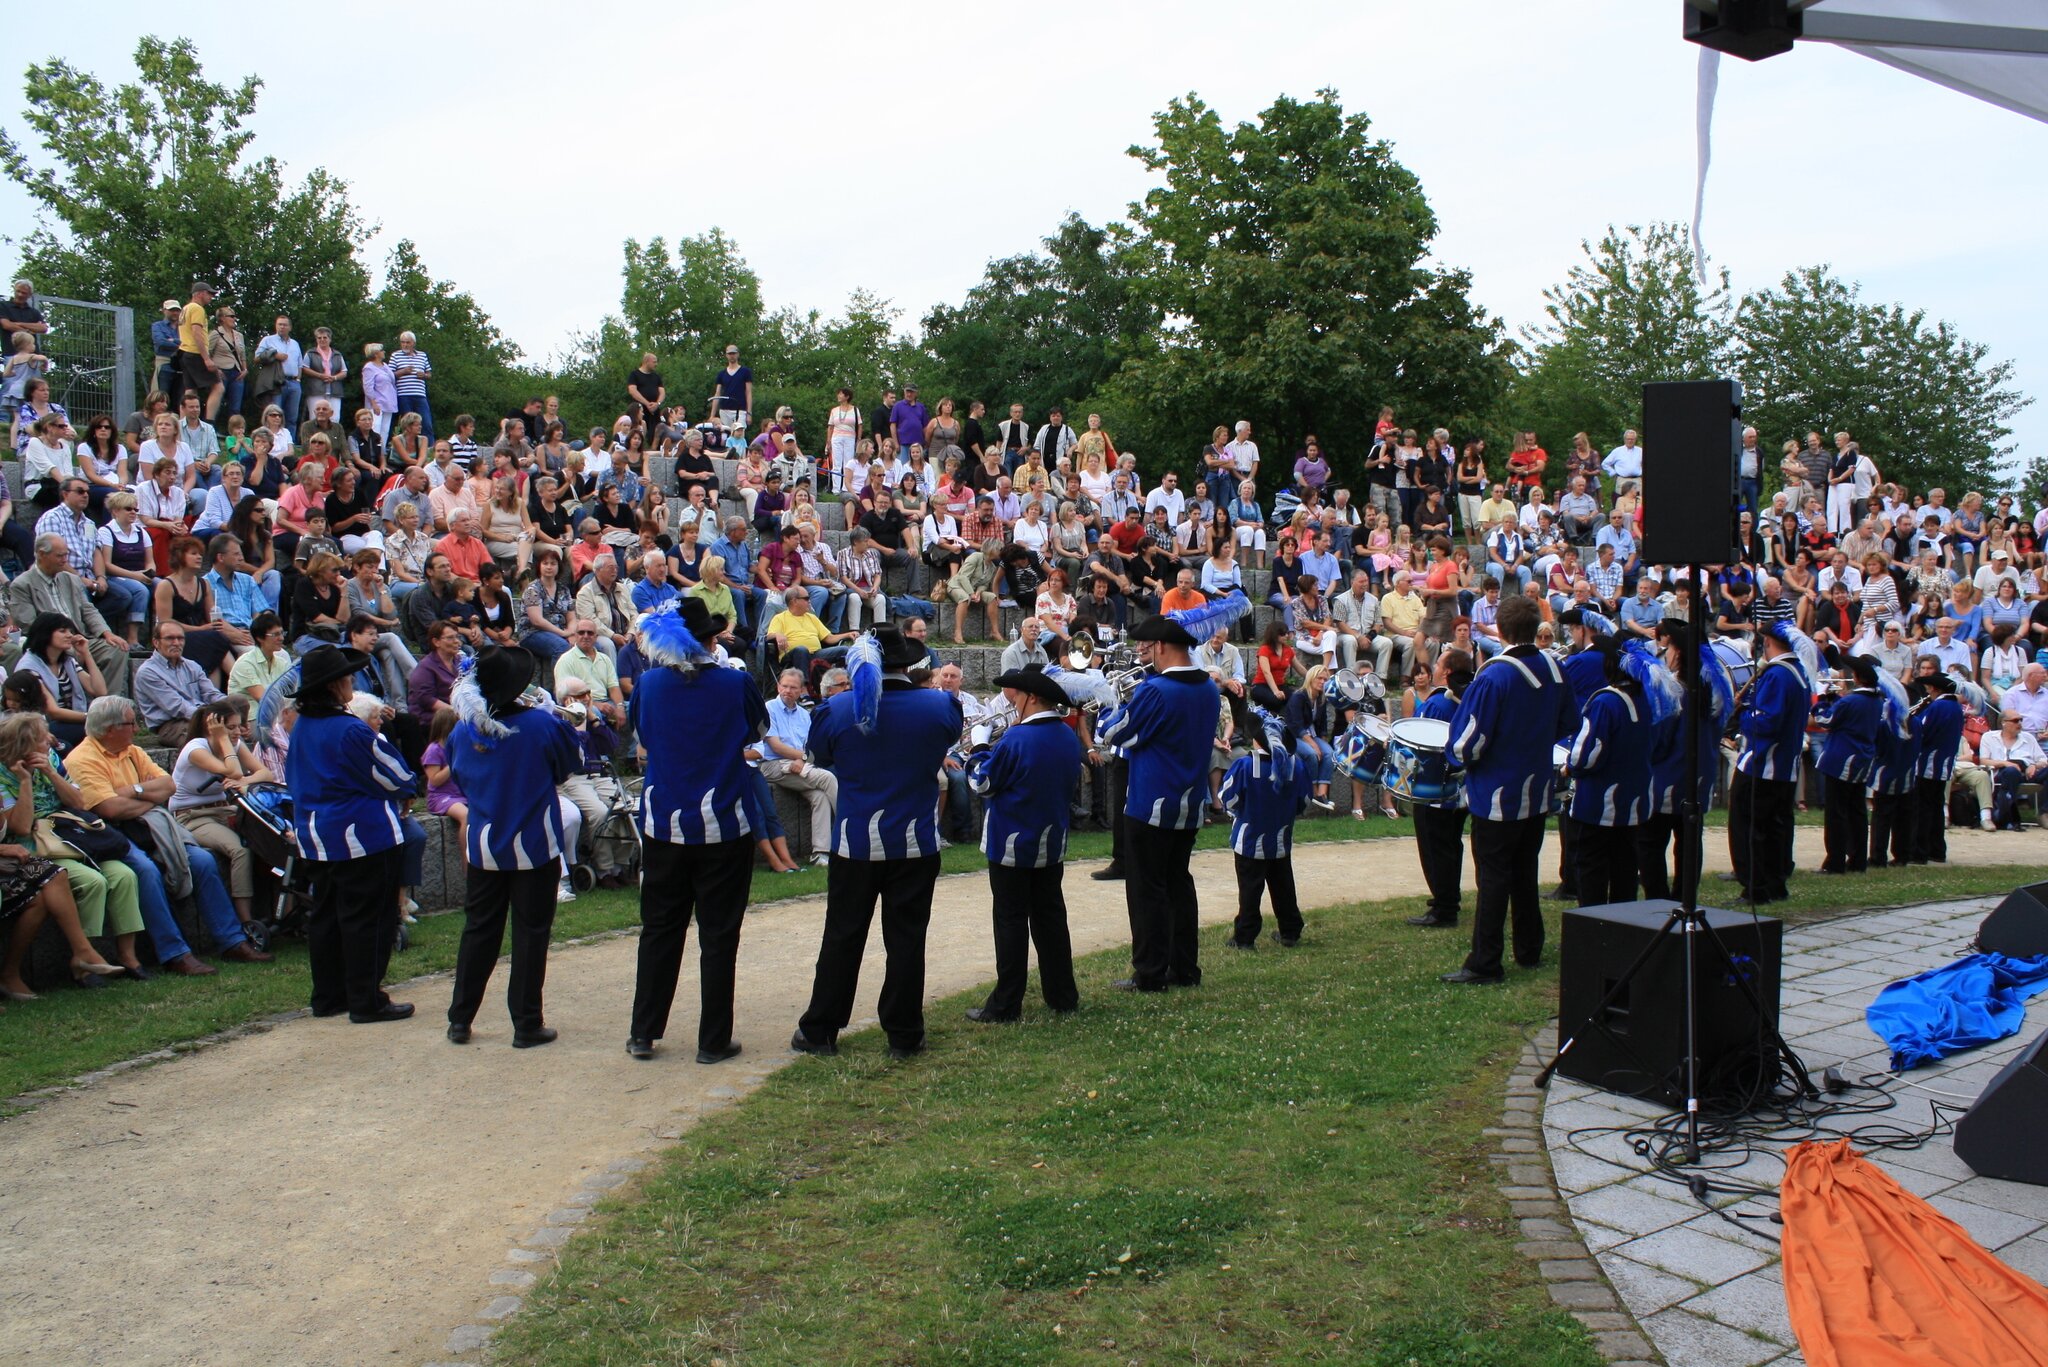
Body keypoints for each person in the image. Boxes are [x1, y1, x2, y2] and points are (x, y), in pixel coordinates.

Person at [792, 627, 963, 1059]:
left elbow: (822, 755)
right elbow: (944, 740)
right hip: (915, 842)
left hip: (855, 843)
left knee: (842, 935)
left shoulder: (837, 707)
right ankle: (904, 1034)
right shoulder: (941, 705)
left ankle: (821, 1029)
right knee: (907, 939)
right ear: (908, 663)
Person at [627, 600, 770, 1063]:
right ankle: (712, 1040)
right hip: (724, 821)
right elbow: (755, 730)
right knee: (719, 934)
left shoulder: (648, 684)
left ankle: (644, 1032)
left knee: (659, 930)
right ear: (711, 640)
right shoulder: (735, 682)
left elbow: (643, 734)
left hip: (664, 819)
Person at [443, 646, 583, 1048]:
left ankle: (460, 1018)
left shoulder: (461, 730)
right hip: (533, 842)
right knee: (530, 934)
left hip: (484, 841)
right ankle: (526, 1023)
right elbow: (567, 766)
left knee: (478, 931)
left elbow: (459, 776)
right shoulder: (542, 726)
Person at [1441, 595, 1579, 985]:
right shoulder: (1554, 666)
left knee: (1494, 878)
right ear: (1536, 628)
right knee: (1525, 869)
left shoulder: (1495, 675)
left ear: (1499, 630)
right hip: (1537, 787)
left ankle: (1485, 961)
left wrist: (1460, 757)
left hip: (1497, 792)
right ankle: (1529, 946)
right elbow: (1569, 721)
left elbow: (1467, 744)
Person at [1096, 604, 1228, 991]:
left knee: (1146, 891)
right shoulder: (1206, 685)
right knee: (1178, 886)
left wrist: (1111, 703)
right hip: (1189, 802)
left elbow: (1118, 733)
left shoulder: (1156, 689)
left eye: (1146, 646)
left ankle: (1150, 973)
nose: (1143, 653)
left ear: (1162, 647)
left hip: (1150, 803)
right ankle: (1185, 967)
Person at [285, 645, 416, 1022]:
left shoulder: (303, 726)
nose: (351, 682)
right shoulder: (350, 729)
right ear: (331, 686)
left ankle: (328, 996)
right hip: (361, 836)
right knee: (369, 919)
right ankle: (365, 999)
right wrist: (406, 788)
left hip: (317, 836)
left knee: (326, 917)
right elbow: (394, 774)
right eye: (345, 677)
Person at [962, 664, 1086, 1020]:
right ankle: (1062, 995)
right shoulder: (1066, 735)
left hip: (1012, 843)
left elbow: (982, 784)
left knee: (1010, 922)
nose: (1011, 700)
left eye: (1015, 694)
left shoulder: (1017, 738)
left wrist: (981, 746)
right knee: (1050, 919)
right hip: (1051, 842)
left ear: (1032, 698)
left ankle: (1005, 1004)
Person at [1564, 637, 1654, 908]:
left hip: (1600, 799)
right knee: (1625, 865)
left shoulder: (1605, 702)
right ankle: (1623, 924)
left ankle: (1593, 925)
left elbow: (1588, 754)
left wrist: (1570, 766)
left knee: (1591, 866)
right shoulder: (1646, 698)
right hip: (1634, 795)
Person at [1728, 623, 1814, 904]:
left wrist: (1742, 715)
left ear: (1768, 643)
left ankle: (1756, 885)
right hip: (1783, 764)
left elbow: (1766, 721)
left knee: (1750, 827)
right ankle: (1776, 883)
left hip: (1763, 762)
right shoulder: (1797, 672)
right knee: (1776, 828)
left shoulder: (1777, 674)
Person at [1218, 709, 1311, 949]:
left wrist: (1240, 813)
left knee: (1250, 891)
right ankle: (1290, 931)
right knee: (1284, 887)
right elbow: (1304, 802)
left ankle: (1244, 937)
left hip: (1249, 841)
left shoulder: (1244, 766)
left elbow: (1227, 799)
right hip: (1280, 839)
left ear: (1257, 739)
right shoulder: (1296, 766)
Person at [1406, 648, 1472, 928]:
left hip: (1434, 788)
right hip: (1459, 788)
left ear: (1446, 672)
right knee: (1451, 845)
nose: (1434, 666)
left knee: (1435, 848)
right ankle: (1448, 897)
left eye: (1439, 663)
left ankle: (1444, 908)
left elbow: (1416, 736)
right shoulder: (1469, 699)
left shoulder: (1438, 704)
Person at [755, 670, 837, 865]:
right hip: (771, 765)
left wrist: (803, 759)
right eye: (784, 686)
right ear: (778, 687)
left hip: (797, 767)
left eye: (793, 688)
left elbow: (809, 748)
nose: (787, 691)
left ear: (801, 691)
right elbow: (775, 745)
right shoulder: (769, 709)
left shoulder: (804, 714)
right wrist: (802, 757)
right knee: (827, 778)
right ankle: (851, 826)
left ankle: (820, 853)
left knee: (819, 796)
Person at [1815, 653, 1883, 875]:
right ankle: (1858, 860)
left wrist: (1822, 702)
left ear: (1858, 677)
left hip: (1842, 758)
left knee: (1836, 813)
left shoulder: (1852, 700)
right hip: (1862, 758)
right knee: (1857, 811)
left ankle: (1835, 862)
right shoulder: (1876, 700)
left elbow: (1825, 721)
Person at [1910, 671, 1964, 864]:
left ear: (1933, 688)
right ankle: (1937, 850)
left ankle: (1919, 851)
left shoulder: (1937, 707)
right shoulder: (1955, 707)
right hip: (1944, 764)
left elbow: (1922, 731)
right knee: (1935, 807)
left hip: (1928, 763)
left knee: (1922, 809)